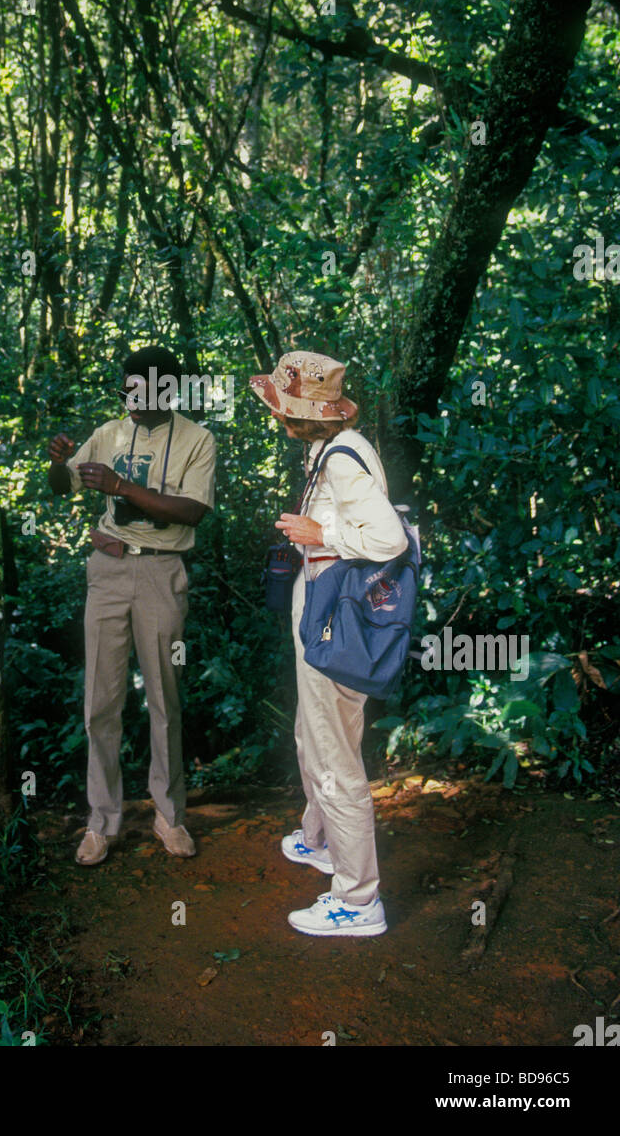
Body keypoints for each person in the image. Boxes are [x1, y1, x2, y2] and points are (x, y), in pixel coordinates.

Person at [249, 350, 407, 937]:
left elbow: (387, 540)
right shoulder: (329, 448)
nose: (275, 416)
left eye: (280, 408)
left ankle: (359, 900)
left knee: (336, 757)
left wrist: (322, 533)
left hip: (333, 616)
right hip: (320, 605)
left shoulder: (342, 460)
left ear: (298, 415)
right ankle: (319, 840)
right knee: (313, 734)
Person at [48, 346, 216, 866]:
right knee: (100, 699)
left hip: (163, 572)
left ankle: (170, 816)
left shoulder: (197, 438)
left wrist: (123, 486)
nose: (134, 402)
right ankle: (102, 822)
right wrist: (56, 465)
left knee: (164, 697)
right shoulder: (109, 433)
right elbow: (63, 487)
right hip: (109, 569)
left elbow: (192, 511)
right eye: (129, 392)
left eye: (145, 394)